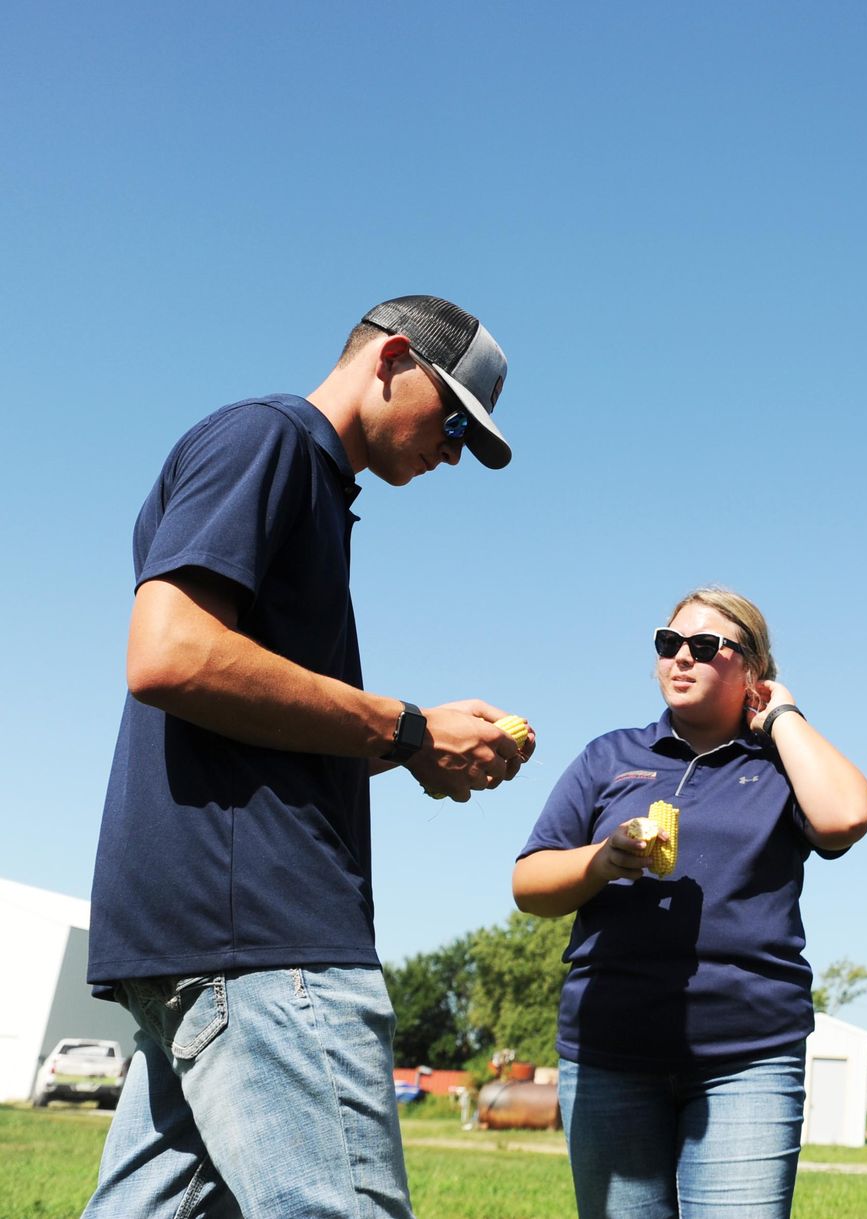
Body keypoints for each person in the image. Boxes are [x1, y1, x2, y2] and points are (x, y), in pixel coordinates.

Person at [84, 295, 534, 1218]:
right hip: (264, 940)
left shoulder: (319, 492)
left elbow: (252, 717)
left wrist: (413, 751)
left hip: (211, 938)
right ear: (392, 357)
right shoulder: (272, 439)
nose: (452, 451)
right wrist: (407, 726)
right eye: (453, 421)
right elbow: (170, 653)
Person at [513, 586, 867, 1219]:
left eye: (705, 646)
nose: (681, 657)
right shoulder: (610, 756)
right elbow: (530, 883)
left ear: (752, 670)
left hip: (748, 1057)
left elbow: (846, 816)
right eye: (667, 643)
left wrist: (784, 716)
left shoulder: (782, 763)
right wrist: (601, 861)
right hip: (610, 1051)